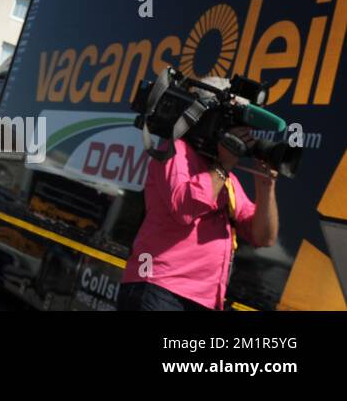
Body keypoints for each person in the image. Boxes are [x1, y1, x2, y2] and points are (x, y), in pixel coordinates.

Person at [118, 120, 279, 311]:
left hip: (204, 300)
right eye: (239, 134)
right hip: (159, 289)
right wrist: (224, 165)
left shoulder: (228, 181)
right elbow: (184, 209)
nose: (245, 141)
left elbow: (264, 237)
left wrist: (266, 186)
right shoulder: (176, 150)